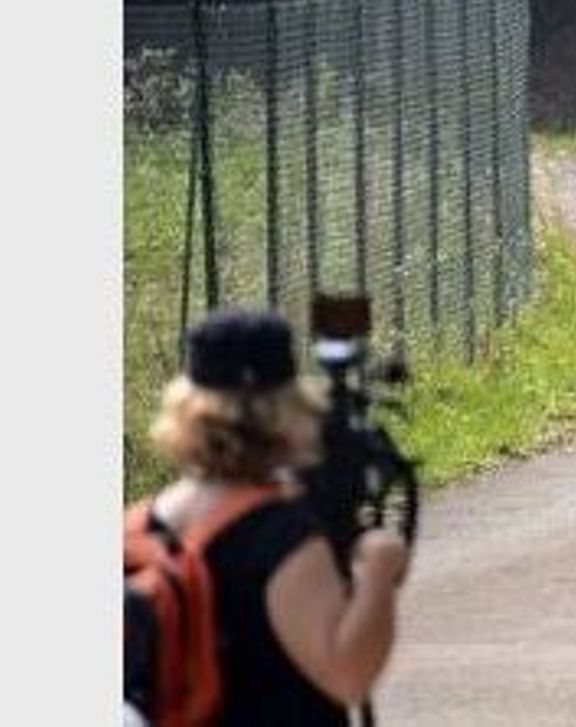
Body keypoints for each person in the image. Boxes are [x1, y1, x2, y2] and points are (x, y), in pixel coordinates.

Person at [138, 307, 410, 725]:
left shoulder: (141, 524)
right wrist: (379, 568)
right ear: (287, 407)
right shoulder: (280, 537)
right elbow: (348, 676)